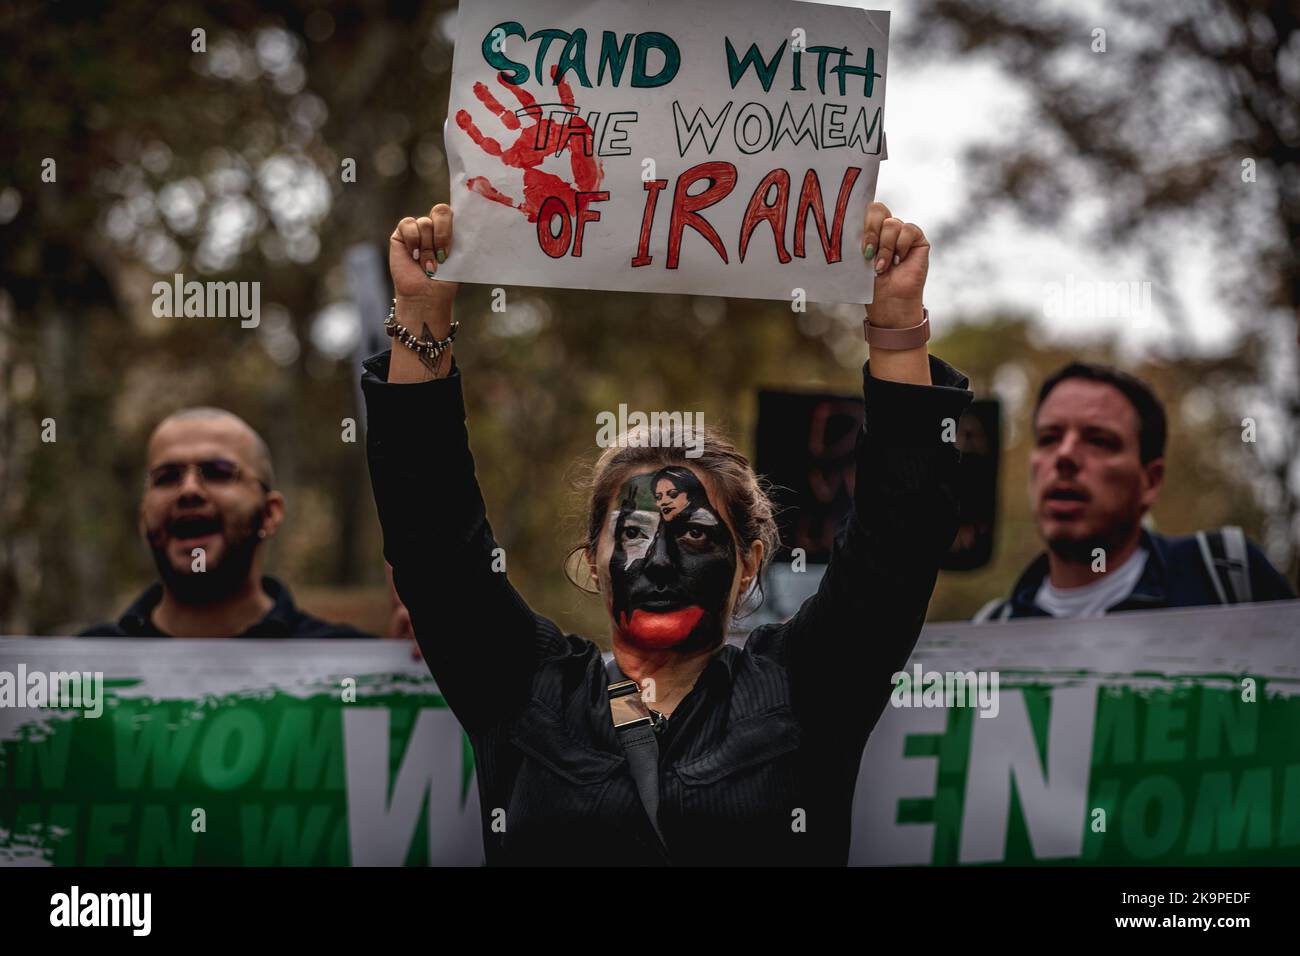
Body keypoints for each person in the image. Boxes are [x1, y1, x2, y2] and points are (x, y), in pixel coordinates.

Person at [364, 199, 972, 866]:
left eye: (697, 536)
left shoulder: (804, 686)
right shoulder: (523, 687)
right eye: (630, 535)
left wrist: (895, 326)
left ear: (750, 563)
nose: (657, 561)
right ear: (592, 561)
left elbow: (898, 543)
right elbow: (433, 538)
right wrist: (422, 313)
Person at [975, 363, 1294, 621]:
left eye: (1099, 440)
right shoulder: (991, 627)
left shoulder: (1227, 574)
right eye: (1049, 438)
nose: (1064, 456)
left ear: (1150, 481)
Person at [81, 407, 374, 639]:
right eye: (167, 476)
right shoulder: (80, 672)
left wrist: (417, 650)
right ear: (143, 517)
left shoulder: (353, 668)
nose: (189, 491)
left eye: (218, 472)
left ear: (270, 513)